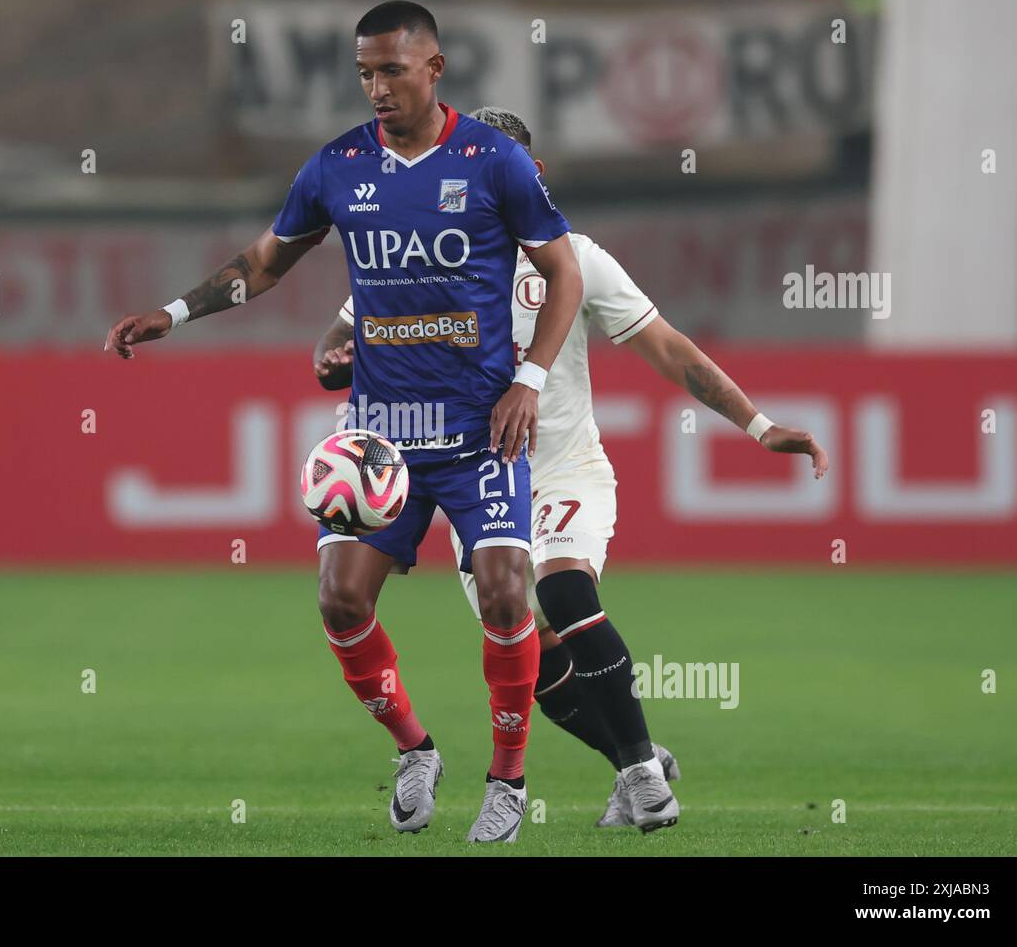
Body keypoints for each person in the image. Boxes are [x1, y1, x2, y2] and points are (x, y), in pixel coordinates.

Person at [105, 4, 584, 843]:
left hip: (480, 429)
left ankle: (507, 781)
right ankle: (414, 749)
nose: (377, 88)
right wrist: (174, 312)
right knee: (338, 601)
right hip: (380, 438)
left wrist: (532, 380)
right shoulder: (337, 167)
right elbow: (264, 263)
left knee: (509, 593)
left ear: (434, 68)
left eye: (392, 70)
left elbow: (563, 271)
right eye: (365, 73)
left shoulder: (493, 161)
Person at [313, 106, 830, 833]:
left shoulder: (575, 259)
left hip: (561, 472)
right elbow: (339, 338)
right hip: (478, 481)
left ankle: (646, 781)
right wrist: (338, 358)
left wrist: (760, 425)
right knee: (539, 669)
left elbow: (671, 350)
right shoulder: (416, 252)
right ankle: (633, 758)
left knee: (560, 589)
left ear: (531, 176)